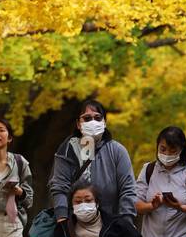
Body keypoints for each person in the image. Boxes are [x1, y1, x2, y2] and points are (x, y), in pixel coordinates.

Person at [49, 97, 136, 229]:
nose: (93, 122)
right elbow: (59, 187)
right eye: (87, 118)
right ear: (78, 124)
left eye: (97, 117)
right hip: (75, 223)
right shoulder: (66, 150)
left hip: (111, 224)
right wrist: (62, 219)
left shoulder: (118, 151)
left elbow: (128, 189)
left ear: (104, 122)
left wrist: (126, 222)